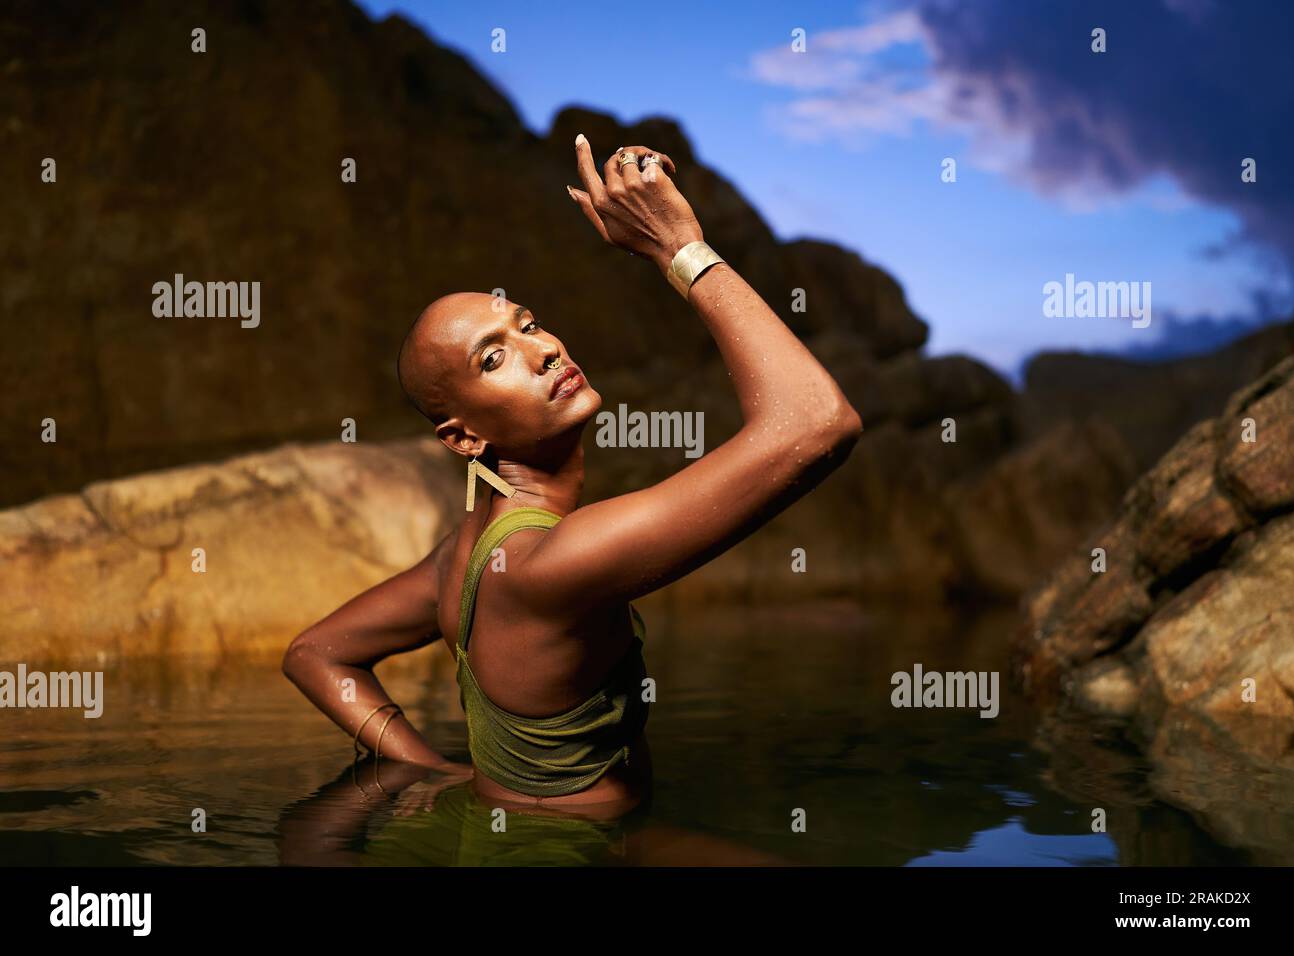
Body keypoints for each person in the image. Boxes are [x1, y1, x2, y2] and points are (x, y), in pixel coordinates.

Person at [282, 136, 864, 821]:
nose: (545, 348)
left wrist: (425, 771)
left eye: (526, 324)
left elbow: (315, 654)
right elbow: (817, 424)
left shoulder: (462, 560)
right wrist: (678, 248)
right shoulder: (553, 562)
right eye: (493, 360)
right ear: (464, 436)